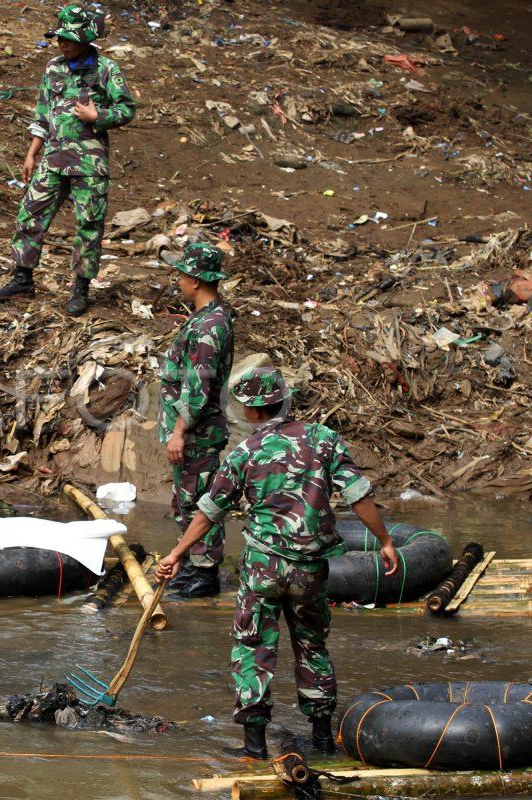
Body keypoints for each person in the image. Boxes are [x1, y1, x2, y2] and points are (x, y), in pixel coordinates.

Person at [156, 368, 399, 761]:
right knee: (312, 646)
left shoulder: (245, 452)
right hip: (311, 569)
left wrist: (176, 553)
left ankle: (254, 748)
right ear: (284, 400)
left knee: (253, 649)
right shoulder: (323, 439)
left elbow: (210, 512)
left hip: (262, 570)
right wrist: (385, 541)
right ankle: (322, 740)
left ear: (249, 410)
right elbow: (358, 494)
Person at [0, 4, 136, 317]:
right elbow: (43, 115)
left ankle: (81, 290)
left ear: (86, 39)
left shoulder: (107, 70)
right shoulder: (54, 68)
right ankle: (22, 278)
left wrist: (99, 115)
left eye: (68, 38)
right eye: (59, 38)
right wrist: (32, 153)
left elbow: (127, 110)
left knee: (89, 225)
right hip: (53, 160)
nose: (62, 43)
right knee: (30, 214)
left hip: (89, 164)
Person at [157, 243, 235, 598]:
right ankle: (191, 566)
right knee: (186, 501)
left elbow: (198, 387)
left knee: (201, 499)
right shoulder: (207, 318)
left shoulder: (209, 327)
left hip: (197, 433)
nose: (179, 281)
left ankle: (204, 575)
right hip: (193, 432)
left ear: (196, 280)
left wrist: (179, 430)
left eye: (182, 275)